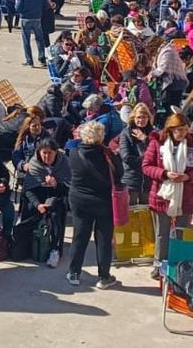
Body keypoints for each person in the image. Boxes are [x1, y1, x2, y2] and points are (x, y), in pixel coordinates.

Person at [142, 112, 193, 279]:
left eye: (185, 129)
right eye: (179, 130)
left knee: (181, 231)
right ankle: (158, 264)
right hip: (162, 193)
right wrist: (164, 173)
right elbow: (146, 166)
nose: (182, 133)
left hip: (185, 194)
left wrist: (188, 177)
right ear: (171, 129)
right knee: (162, 232)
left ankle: (178, 264)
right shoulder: (157, 142)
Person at [66, 120, 124, 288]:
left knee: (80, 236)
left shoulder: (74, 153)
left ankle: (74, 273)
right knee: (104, 239)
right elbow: (119, 174)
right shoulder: (108, 155)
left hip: (79, 200)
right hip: (103, 202)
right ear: (101, 136)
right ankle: (104, 277)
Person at [23, 139, 71, 268]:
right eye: (44, 152)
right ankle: (30, 244)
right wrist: (37, 204)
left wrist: (56, 185)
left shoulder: (64, 163)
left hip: (57, 195)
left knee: (55, 213)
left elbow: (70, 187)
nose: (47, 156)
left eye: (50, 153)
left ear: (56, 152)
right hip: (38, 196)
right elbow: (28, 189)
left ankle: (55, 249)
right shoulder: (34, 164)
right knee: (28, 207)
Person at [117, 102, 155, 204]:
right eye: (138, 117)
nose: (141, 120)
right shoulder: (126, 133)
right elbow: (126, 157)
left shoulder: (153, 134)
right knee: (130, 212)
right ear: (133, 117)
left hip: (148, 180)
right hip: (131, 178)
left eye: (144, 117)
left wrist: (145, 140)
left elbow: (158, 153)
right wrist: (146, 162)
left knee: (146, 213)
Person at [15, 0, 48, 67]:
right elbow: (45, 6)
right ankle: (42, 59)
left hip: (25, 19)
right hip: (37, 18)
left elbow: (17, 8)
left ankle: (29, 61)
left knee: (26, 40)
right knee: (40, 39)